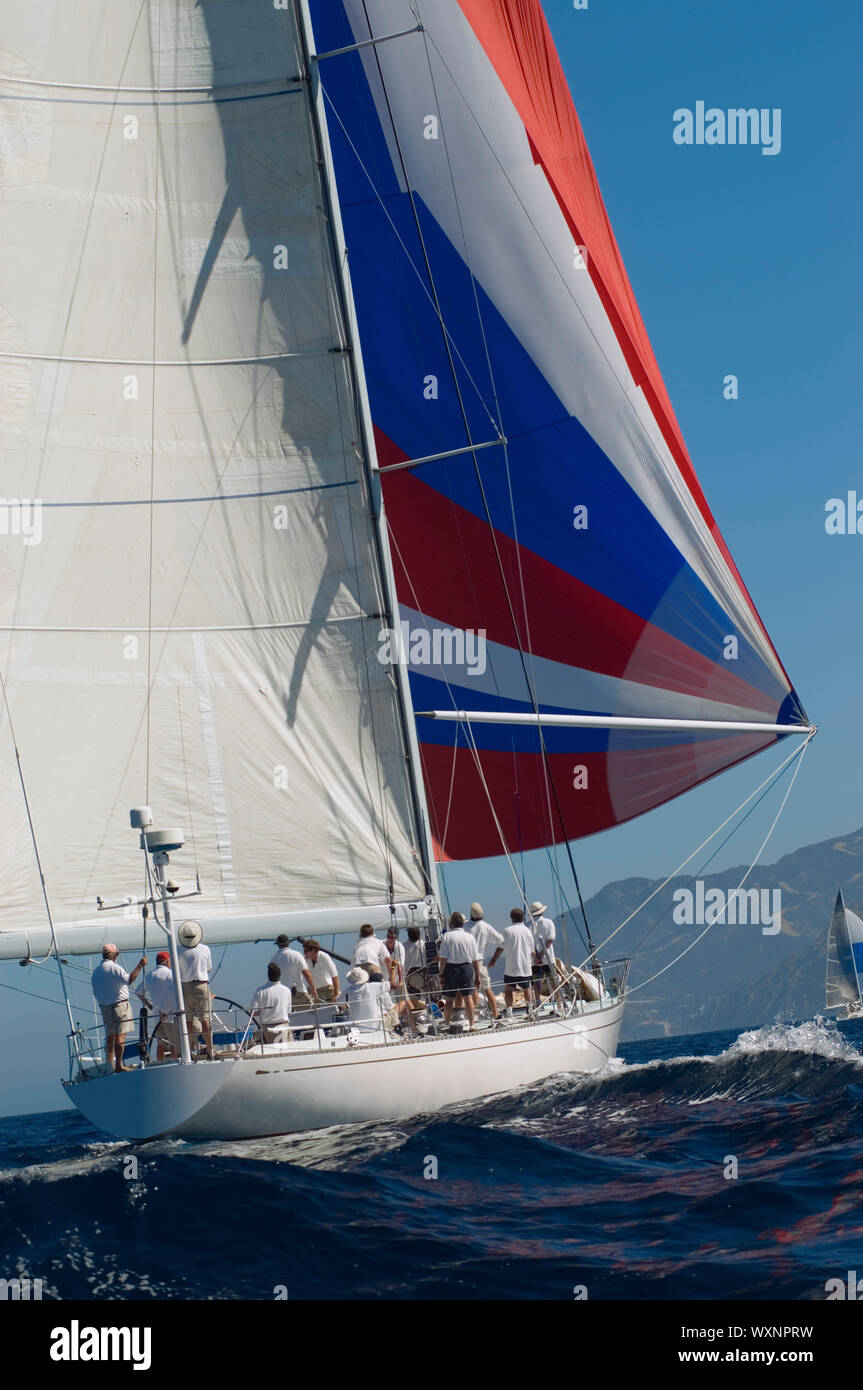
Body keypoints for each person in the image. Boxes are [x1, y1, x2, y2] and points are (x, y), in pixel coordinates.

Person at [91, 944, 147, 1073]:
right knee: (120, 1038)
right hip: (120, 1006)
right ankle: (119, 1066)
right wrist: (140, 965)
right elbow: (129, 980)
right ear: (114, 954)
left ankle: (109, 1066)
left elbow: (96, 992)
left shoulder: (96, 971)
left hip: (104, 1007)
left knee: (110, 1038)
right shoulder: (114, 968)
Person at [436, 911, 480, 1028]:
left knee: (449, 999)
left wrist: (441, 974)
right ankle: (472, 1025)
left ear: (452, 924)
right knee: (468, 997)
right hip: (467, 968)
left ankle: (446, 1023)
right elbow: (475, 959)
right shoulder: (470, 937)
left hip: (451, 969)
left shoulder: (447, 936)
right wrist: (478, 976)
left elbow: (443, 958)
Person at [488, 908, 536, 1015]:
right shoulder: (528, 931)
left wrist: (493, 960)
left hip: (511, 968)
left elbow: (500, 947)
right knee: (526, 988)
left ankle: (509, 1013)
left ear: (512, 918)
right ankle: (530, 1010)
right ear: (522, 917)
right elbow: (532, 951)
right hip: (525, 967)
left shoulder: (508, 931)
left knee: (508, 990)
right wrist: (535, 960)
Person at [178, 930, 214, 1059]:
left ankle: (189, 1051)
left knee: (188, 1022)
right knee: (205, 1020)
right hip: (201, 985)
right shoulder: (205, 949)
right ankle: (210, 1050)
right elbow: (209, 968)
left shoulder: (178, 949)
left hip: (184, 986)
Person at [468, 902, 504, 1020]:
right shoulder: (486, 927)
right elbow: (501, 940)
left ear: (471, 914)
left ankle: (473, 1017)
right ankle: (495, 1014)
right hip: (479, 961)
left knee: (473, 990)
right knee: (487, 989)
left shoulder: (465, 927)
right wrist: (493, 958)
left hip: (467, 963)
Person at [143, 951, 180, 1061]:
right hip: (170, 1014)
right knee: (174, 1043)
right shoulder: (171, 974)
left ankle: (160, 1063)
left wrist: (149, 1006)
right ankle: (174, 1063)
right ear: (167, 961)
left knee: (161, 1044)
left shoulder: (150, 975)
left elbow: (138, 992)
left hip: (156, 1015)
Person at [271, 934, 317, 1010]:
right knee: (311, 1013)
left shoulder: (273, 959)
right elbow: (306, 973)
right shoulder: (296, 955)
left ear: (278, 945)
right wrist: (313, 989)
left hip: (282, 995)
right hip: (298, 992)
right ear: (288, 943)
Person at [250, 963, 294, 1043]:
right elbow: (288, 1011)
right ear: (280, 975)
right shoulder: (286, 990)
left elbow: (252, 1012)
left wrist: (264, 1011)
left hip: (267, 1028)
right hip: (283, 1026)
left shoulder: (260, 991)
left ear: (268, 975)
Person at [345, 966, 397, 1031]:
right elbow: (392, 984)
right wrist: (393, 967)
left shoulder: (346, 991)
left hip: (355, 1029)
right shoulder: (372, 987)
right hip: (374, 1027)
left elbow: (338, 1003)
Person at [529, 901, 557, 1001]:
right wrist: (541, 955)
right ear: (542, 912)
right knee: (554, 981)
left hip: (534, 960)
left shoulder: (528, 925)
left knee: (536, 982)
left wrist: (536, 956)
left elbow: (528, 944)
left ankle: (537, 1002)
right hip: (548, 958)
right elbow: (550, 940)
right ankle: (559, 1003)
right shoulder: (549, 922)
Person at [404, 926, 428, 996]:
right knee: (422, 997)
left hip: (409, 976)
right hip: (422, 974)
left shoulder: (403, 945)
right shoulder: (424, 944)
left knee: (413, 998)